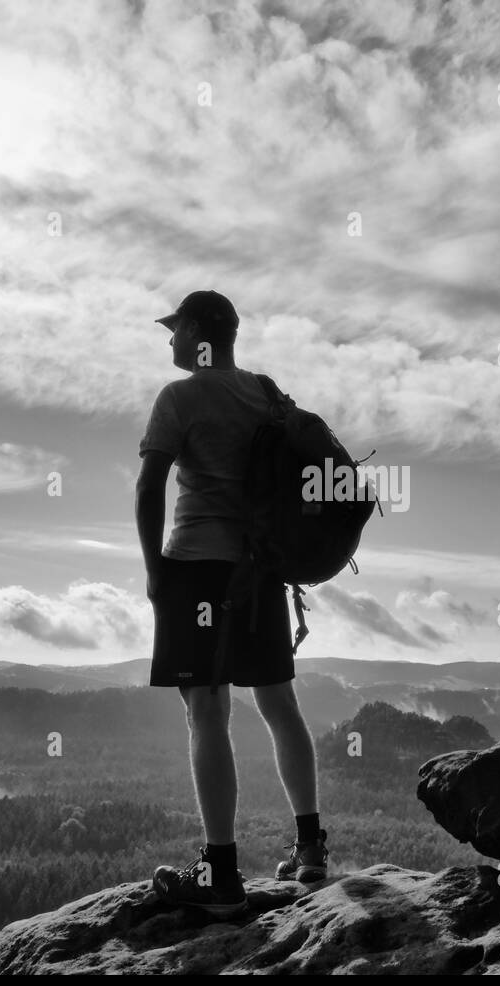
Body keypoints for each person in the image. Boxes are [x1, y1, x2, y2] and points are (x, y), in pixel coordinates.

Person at [135, 290, 329, 917]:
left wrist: (154, 571)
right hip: (259, 571)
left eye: (175, 329)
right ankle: (310, 847)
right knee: (279, 702)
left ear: (198, 331)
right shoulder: (265, 394)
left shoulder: (179, 398)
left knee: (207, 712)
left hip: (197, 568)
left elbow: (149, 486)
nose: (169, 341)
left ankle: (220, 876)